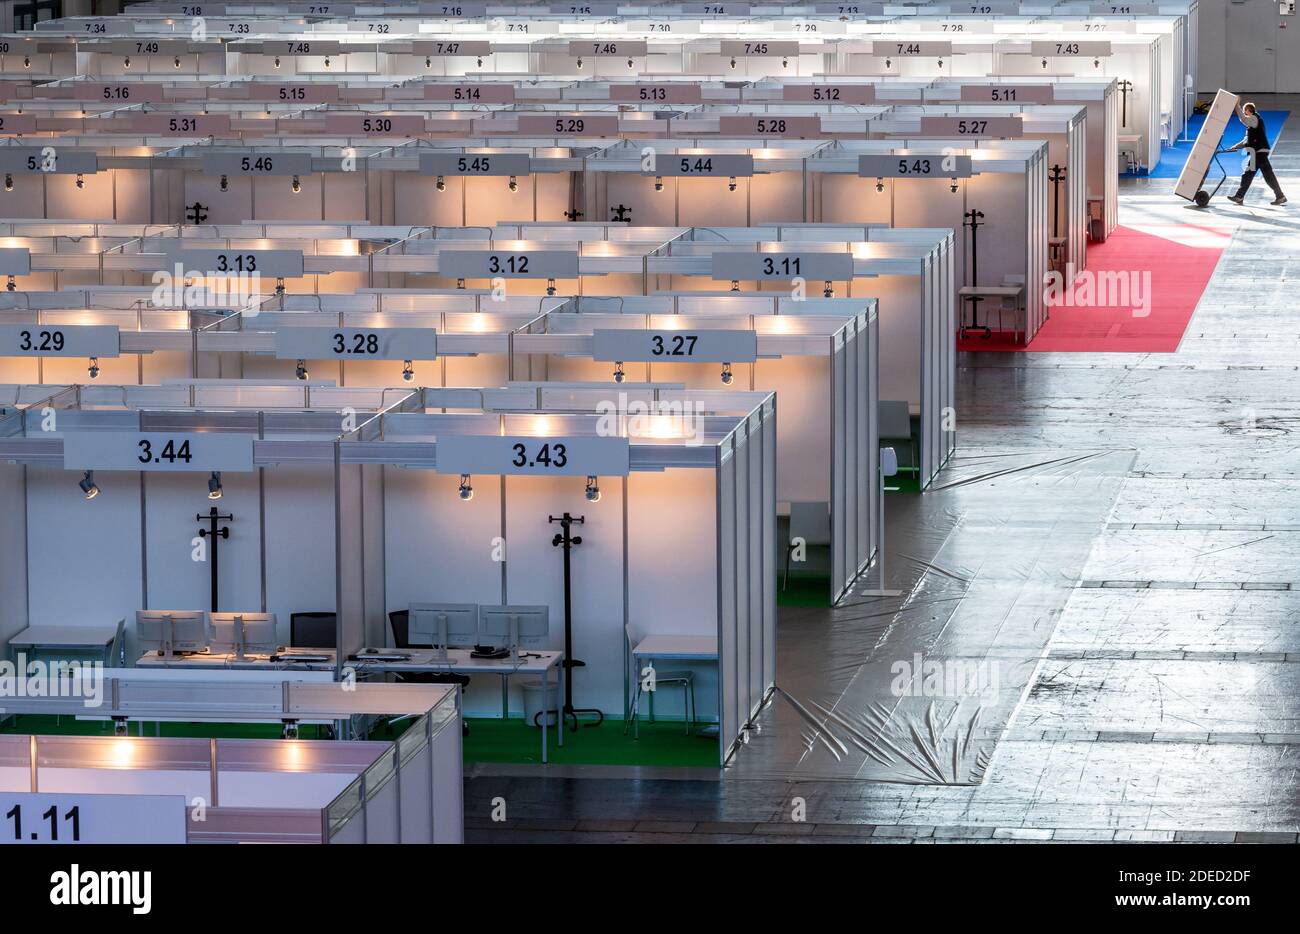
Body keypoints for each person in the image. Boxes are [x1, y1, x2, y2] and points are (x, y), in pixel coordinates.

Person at [1226, 101, 1286, 206]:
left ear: (1249, 111)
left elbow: (1243, 119)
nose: (1244, 114)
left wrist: (1236, 106)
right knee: (1267, 176)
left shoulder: (1254, 118)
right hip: (1259, 152)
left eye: (1245, 112)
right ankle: (1280, 196)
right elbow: (1247, 139)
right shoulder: (1253, 121)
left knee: (1249, 175)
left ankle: (1239, 196)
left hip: (1258, 152)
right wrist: (1235, 147)